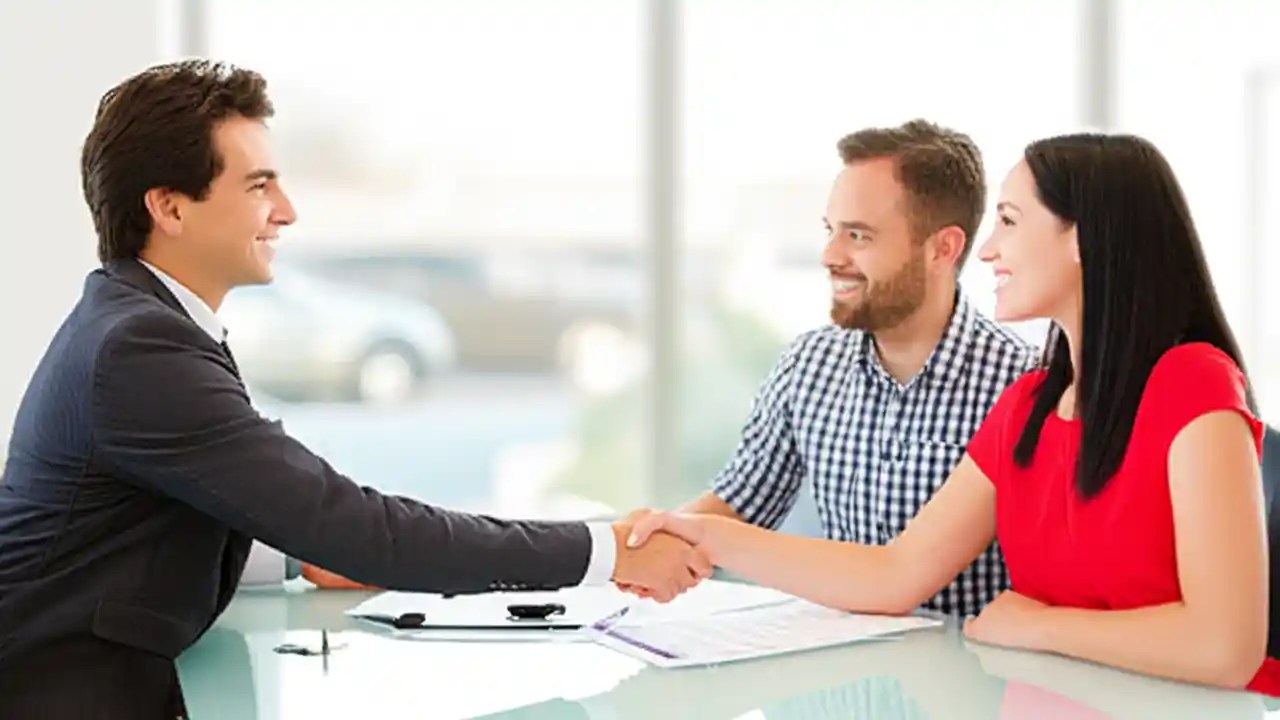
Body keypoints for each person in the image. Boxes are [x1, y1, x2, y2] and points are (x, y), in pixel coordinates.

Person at [0, 60, 709, 718]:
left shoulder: (137, 319)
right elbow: (363, 529)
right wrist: (607, 551)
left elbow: (149, 508)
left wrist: (296, 554)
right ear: (170, 208)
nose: (286, 210)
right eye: (257, 185)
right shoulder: (139, 347)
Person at [628, 132, 1280, 694]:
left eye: (1011, 222)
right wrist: (704, 533)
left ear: (1083, 237)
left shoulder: (1192, 383)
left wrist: (1038, 625)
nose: (988, 250)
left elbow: (1225, 648)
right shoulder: (1027, 407)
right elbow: (893, 573)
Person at [626, 120, 1037, 617]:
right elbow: (739, 501)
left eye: (858, 236)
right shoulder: (809, 366)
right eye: (831, 231)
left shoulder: (1022, 384)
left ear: (942, 249)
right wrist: (643, 543)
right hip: (842, 682)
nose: (829, 256)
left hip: (969, 685)